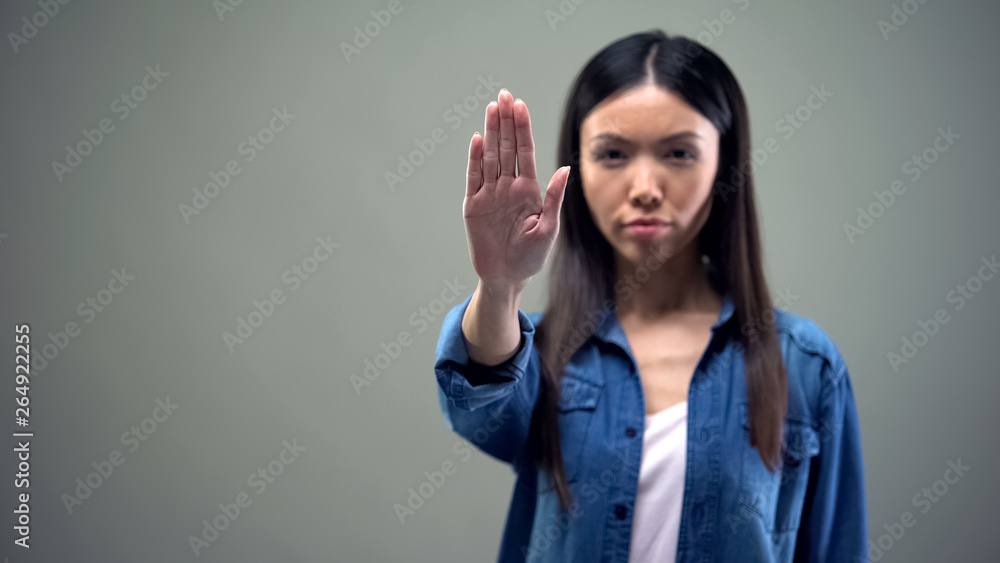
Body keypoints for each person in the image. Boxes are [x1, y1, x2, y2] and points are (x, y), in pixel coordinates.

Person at [433, 29, 868, 562]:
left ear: (724, 165)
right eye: (612, 153)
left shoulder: (807, 367)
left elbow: (837, 550)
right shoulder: (547, 354)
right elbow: (481, 408)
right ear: (580, 169)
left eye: (679, 152)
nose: (644, 186)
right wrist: (499, 286)